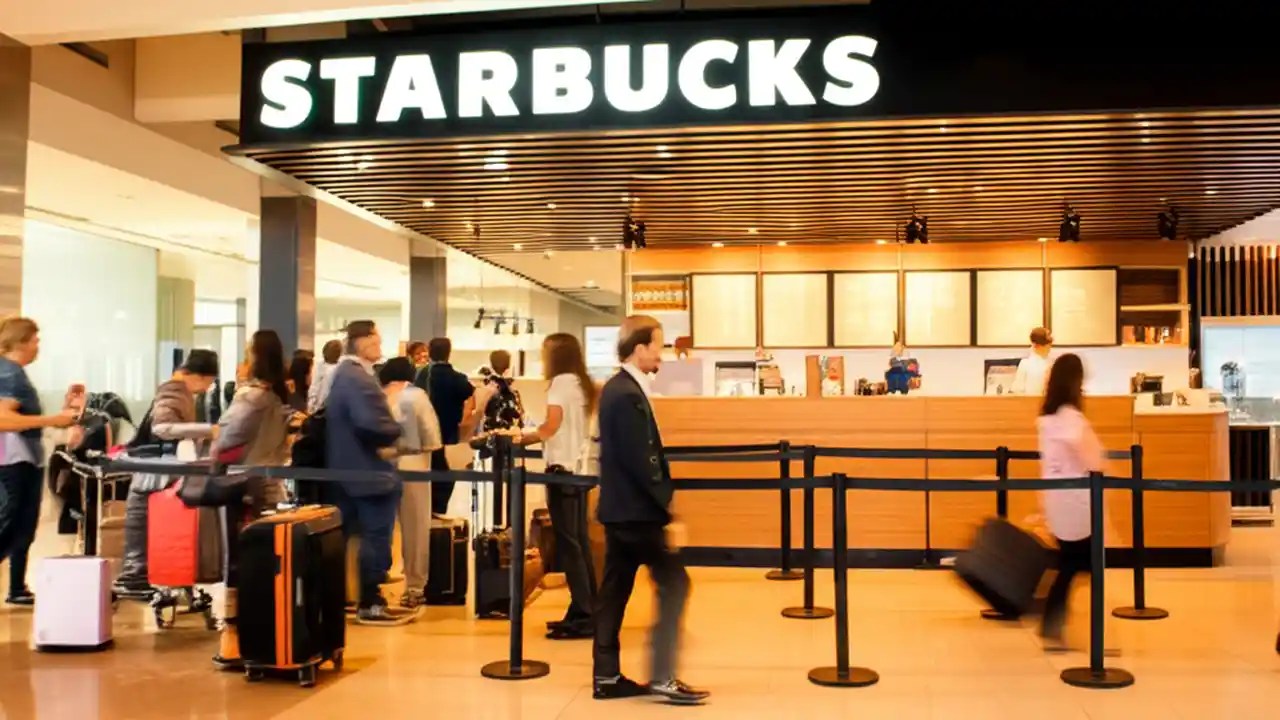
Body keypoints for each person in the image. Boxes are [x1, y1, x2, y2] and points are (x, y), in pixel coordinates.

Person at [593, 315, 707, 705]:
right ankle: (661, 676)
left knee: (615, 592)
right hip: (637, 513)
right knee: (675, 584)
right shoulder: (625, 394)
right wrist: (667, 504)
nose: (661, 353)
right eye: (657, 345)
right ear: (639, 348)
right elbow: (641, 459)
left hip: (621, 510)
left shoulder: (620, 389)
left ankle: (606, 676)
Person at [210, 330, 294, 668]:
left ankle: (234, 635)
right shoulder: (278, 397)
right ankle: (268, 627)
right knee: (265, 559)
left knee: (237, 560)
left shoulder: (251, 397)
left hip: (240, 485)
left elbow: (226, 441)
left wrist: (214, 454)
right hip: (270, 483)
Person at [114, 348, 221, 600]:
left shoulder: (178, 390)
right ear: (199, 376)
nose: (206, 389)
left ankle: (136, 575)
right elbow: (162, 427)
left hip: (157, 467)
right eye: (208, 382)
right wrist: (209, 430)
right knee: (142, 519)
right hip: (157, 468)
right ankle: (134, 576)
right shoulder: (174, 389)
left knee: (144, 520)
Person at [327, 320, 412, 625]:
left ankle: (351, 598)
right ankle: (371, 601)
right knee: (377, 535)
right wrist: (394, 429)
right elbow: (373, 423)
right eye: (375, 336)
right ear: (360, 341)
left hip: (346, 470)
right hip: (368, 473)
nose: (379, 341)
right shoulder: (357, 378)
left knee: (348, 535)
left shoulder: (344, 375)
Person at [516, 334, 597, 640]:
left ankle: (584, 615)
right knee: (579, 543)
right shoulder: (580, 383)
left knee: (571, 545)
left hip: (561, 471)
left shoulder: (561, 383)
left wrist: (520, 437)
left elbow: (551, 426)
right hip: (578, 470)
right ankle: (584, 608)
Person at [0, 318, 81, 606]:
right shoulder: (9, 375)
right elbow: (4, 419)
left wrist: (63, 413)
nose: (38, 346)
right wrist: (54, 420)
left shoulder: (14, 374)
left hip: (24, 458)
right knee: (10, 523)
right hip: (12, 461)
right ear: (20, 342)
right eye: (35, 340)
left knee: (22, 524)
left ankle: (17, 587)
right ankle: (17, 586)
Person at [1036, 353, 1105, 651]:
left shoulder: (1047, 419)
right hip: (1077, 502)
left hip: (1054, 499)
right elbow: (1093, 460)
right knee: (1080, 563)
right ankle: (1055, 621)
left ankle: (1054, 619)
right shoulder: (1071, 419)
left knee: (1072, 562)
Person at [379, 357, 443, 610]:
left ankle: (375, 583)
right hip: (414, 471)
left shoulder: (376, 396)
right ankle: (415, 587)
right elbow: (432, 440)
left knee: (380, 530)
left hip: (381, 471)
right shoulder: (417, 397)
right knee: (415, 530)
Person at [415, 337, 490, 516]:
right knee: (446, 474)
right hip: (448, 432)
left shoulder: (420, 374)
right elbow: (472, 396)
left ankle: (425, 510)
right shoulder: (457, 377)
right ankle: (439, 510)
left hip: (422, 432)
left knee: (425, 474)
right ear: (449, 353)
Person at [476, 349, 525, 460]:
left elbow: (479, 412)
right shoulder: (512, 391)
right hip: (508, 438)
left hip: (487, 437)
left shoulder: (484, 387)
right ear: (508, 365)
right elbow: (518, 414)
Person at [1011, 327, 1054, 395]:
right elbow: (1017, 391)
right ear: (1037, 345)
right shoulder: (1025, 364)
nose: (1049, 348)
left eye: (1049, 345)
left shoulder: (1052, 363)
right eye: (1046, 345)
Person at [308, 339, 343, 413]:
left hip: (324, 407)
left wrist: (312, 404)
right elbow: (315, 386)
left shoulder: (338, 369)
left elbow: (315, 387)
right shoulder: (321, 365)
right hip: (322, 407)